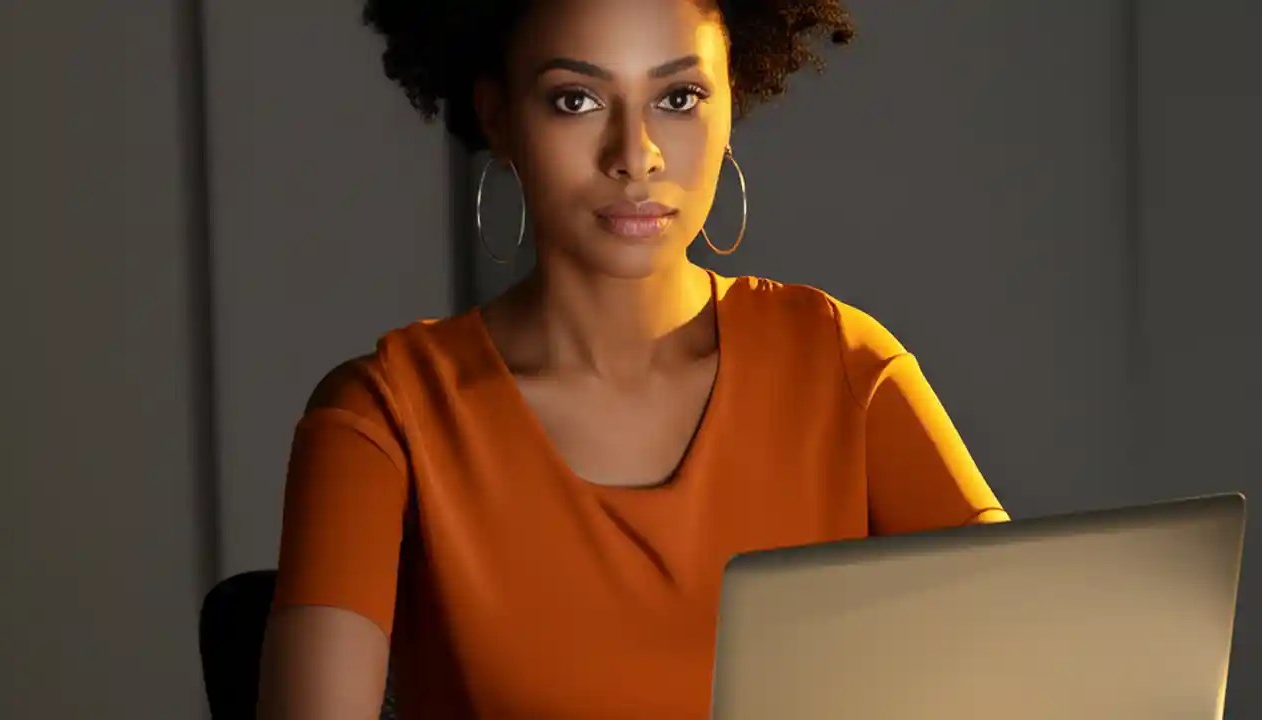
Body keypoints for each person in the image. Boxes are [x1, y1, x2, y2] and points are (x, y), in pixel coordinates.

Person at [257, 0, 1009, 717]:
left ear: (729, 105)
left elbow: (1036, 657)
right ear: (499, 117)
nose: (636, 155)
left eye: (678, 98)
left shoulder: (844, 365)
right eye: (575, 100)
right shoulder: (384, 416)